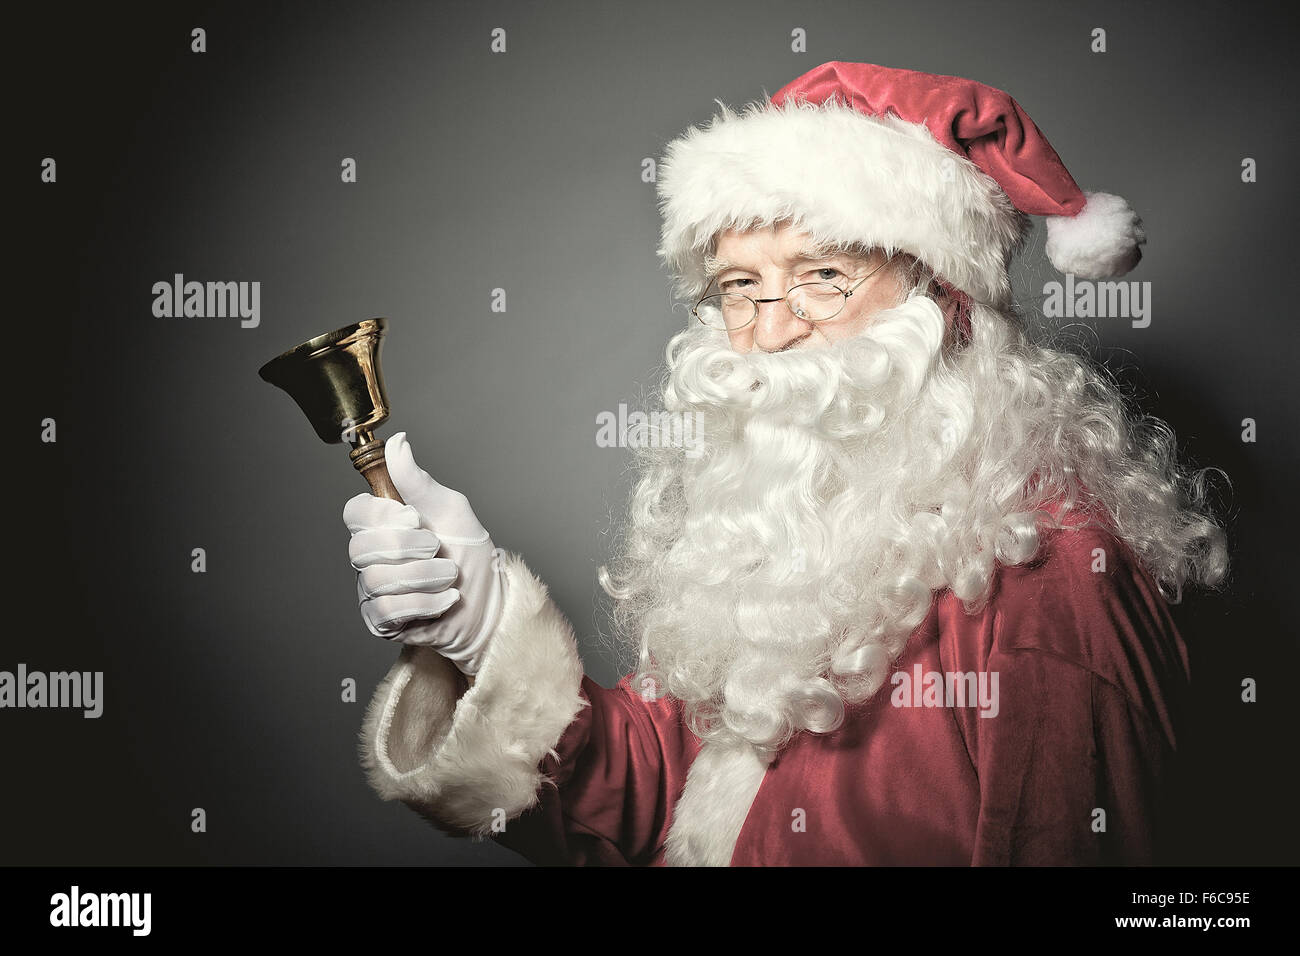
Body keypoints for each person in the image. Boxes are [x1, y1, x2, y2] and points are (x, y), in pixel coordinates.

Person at [345, 62, 1229, 865]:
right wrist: (484, 627)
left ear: (945, 304)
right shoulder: (786, 515)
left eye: (822, 276)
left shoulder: (1054, 575)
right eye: (741, 286)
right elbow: (654, 798)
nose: (769, 334)